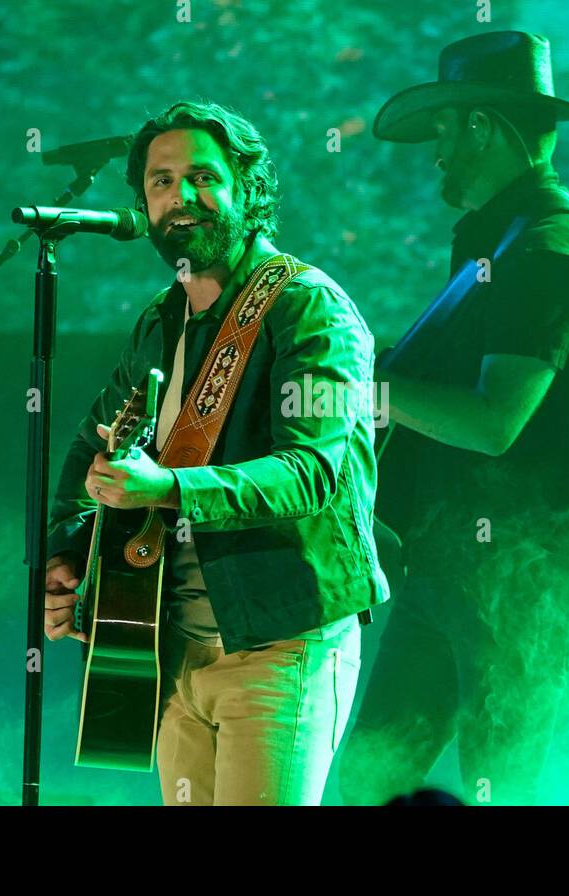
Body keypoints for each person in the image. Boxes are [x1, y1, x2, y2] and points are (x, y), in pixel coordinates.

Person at [43, 101, 388, 806]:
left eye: (204, 176)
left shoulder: (308, 308)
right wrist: (66, 555)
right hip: (168, 644)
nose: (180, 196)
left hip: (280, 646)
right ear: (143, 201)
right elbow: (93, 445)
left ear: (246, 191)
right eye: (161, 181)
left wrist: (166, 489)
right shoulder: (160, 319)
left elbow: (314, 472)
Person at [341, 31, 569, 806]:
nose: (434, 152)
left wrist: (360, 390)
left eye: (443, 128)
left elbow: (495, 420)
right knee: (369, 782)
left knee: (495, 788)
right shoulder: (504, 244)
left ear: (481, 124)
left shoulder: (550, 249)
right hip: (455, 570)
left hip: (522, 579)